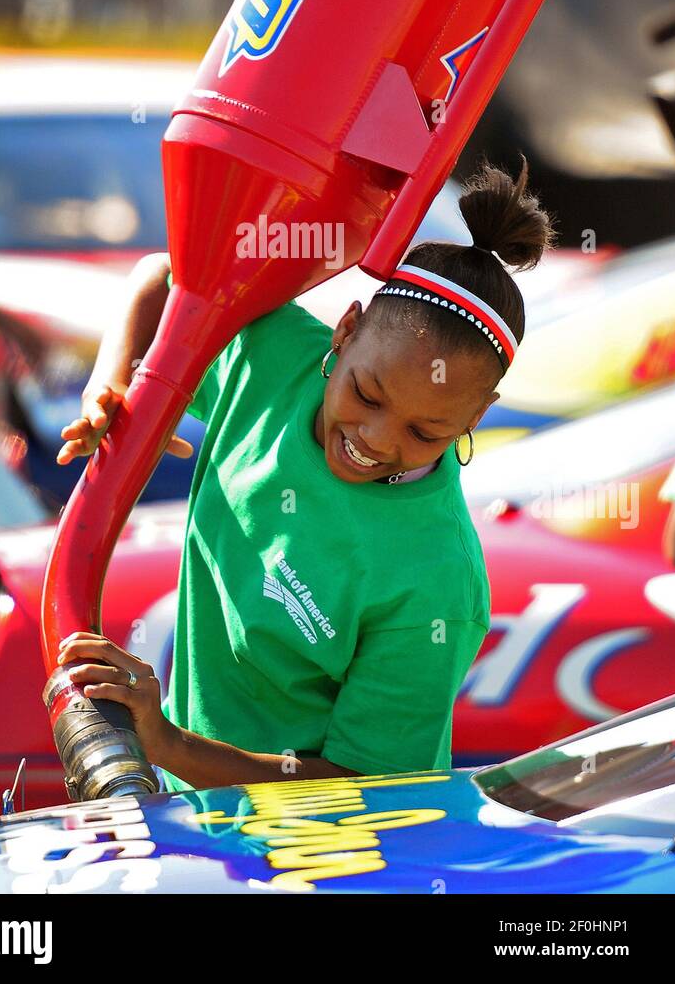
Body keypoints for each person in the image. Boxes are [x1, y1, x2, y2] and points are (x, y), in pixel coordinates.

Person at [56, 155, 557, 790]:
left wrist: (170, 745)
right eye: (367, 395)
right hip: (191, 827)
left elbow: (363, 789)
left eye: (426, 433)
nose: (375, 440)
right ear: (344, 332)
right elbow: (169, 280)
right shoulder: (275, 360)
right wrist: (114, 385)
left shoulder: (437, 581)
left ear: (475, 417)